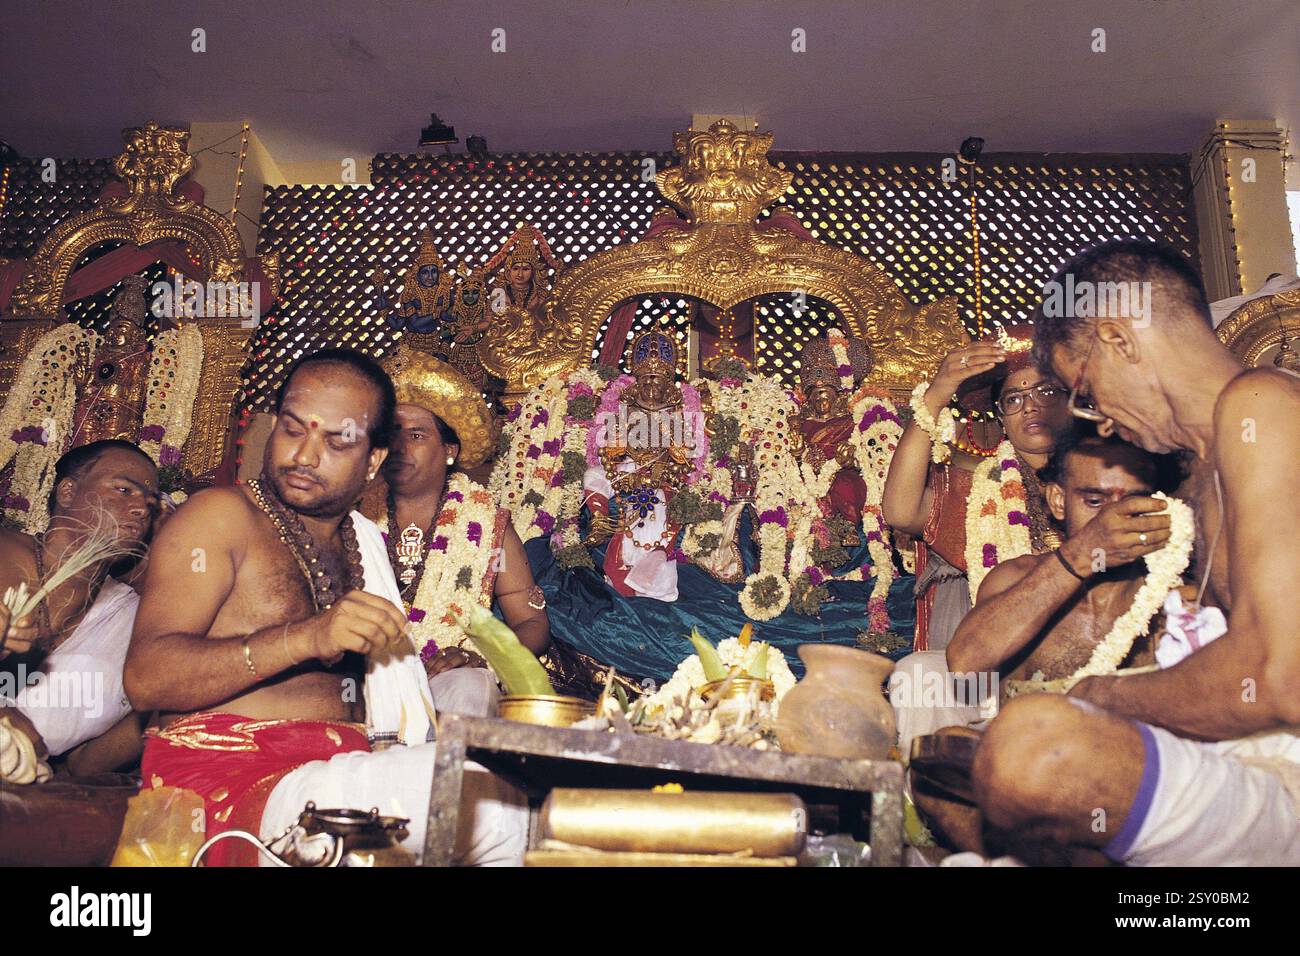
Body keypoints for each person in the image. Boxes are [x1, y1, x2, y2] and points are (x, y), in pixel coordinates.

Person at [126, 348, 526, 866]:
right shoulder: (219, 518)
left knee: (512, 786)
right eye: (294, 430)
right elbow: (145, 678)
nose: (305, 455)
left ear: (374, 461)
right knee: (485, 796)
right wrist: (308, 637)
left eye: (338, 441)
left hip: (338, 774)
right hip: (232, 783)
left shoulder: (362, 541)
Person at [973, 238, 1300, 866]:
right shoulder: (1195, 473)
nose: (1096, 422)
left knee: (1034, 750)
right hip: (1241, 760)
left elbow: (1279, 676)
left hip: (1283, 773)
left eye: (1085, 390)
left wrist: (1101, 698)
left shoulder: (1261, 404)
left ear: (1119, 340)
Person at [884, 324, 1071, 756]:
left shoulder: (1105, 475)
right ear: (1002, 419)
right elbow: (899, 511)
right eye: (1014, 399)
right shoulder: (978, 493)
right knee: (917, 677)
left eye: (1045, 393)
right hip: (995, 670)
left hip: (1090, 657)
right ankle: (928, 817)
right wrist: (935, 395)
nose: (1029, 407)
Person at [367, 342, 549, 717]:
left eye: (416, 435)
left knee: (470, 686)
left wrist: (475, 656)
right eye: (391, 435)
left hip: (444, 680)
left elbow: (532, 622)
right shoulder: (352, 510)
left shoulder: (485, 521)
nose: (400, 447)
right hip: (361, 674)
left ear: (449, 450)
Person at [946, 432, 1182, 688]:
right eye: (1094, 501)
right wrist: (1083, 554)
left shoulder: (1170, 593)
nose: (1113, 518)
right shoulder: (1016, 577)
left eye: (1132, 502)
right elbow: (965, 665)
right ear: (1059, 501)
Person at [0, 439, 159, 782]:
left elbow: (84, 765)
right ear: (68, 492)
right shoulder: (4, 548)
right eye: (124, 490)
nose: (141, 509)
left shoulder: (137, 619)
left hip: (28, 794)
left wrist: (167, 708)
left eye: (150, 503)